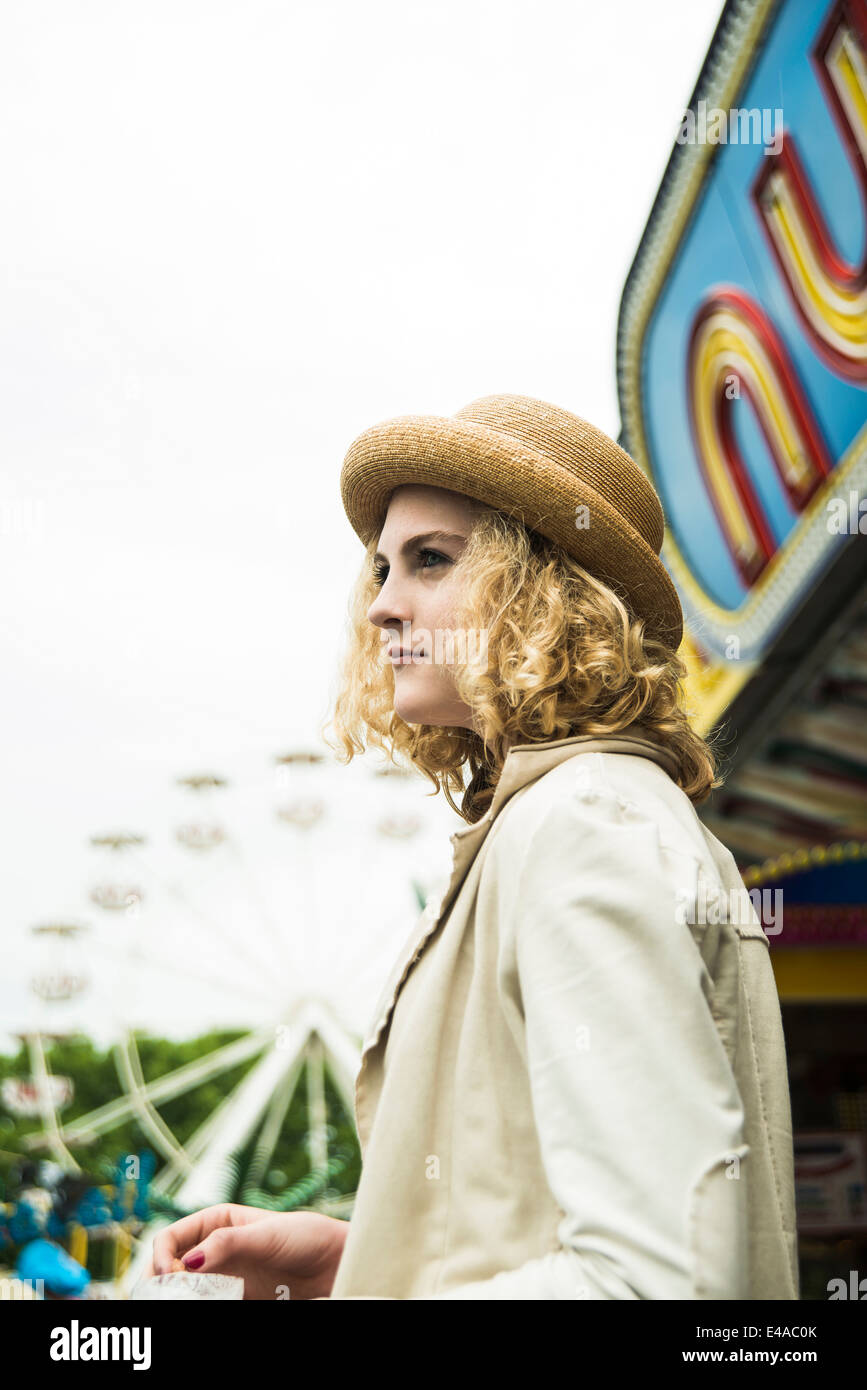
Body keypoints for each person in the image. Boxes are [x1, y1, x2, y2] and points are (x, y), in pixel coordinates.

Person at [146, 393, 799, 1300]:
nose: (382, 608)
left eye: (429, 561)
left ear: (544, 591)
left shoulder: (583, 824)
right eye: (380, 570)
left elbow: (653, 1281)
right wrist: (356, 1263)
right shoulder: (577, 818)